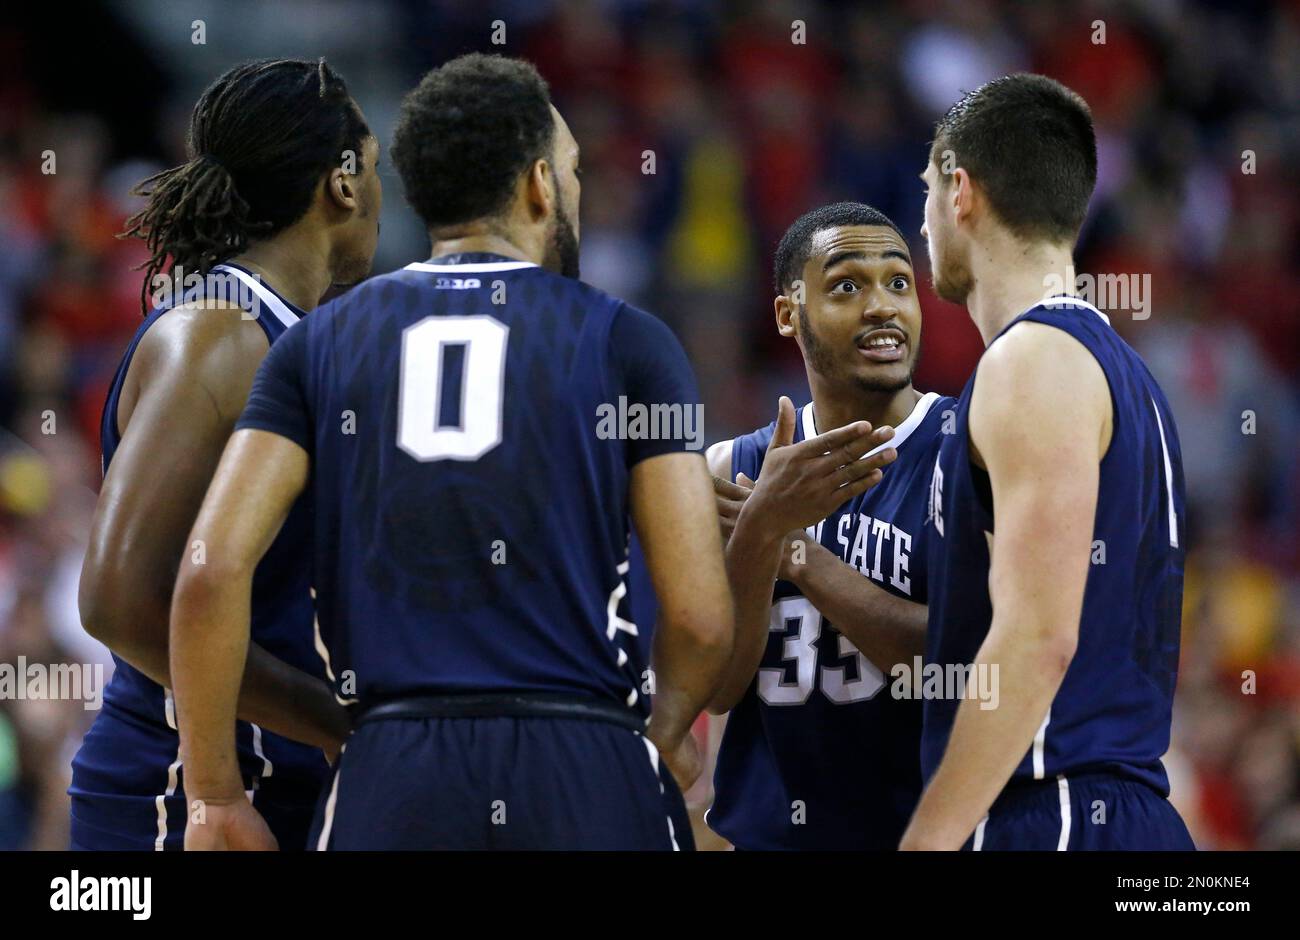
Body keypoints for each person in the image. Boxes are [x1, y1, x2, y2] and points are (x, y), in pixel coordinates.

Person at [171, 54, 755, 850]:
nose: (577, 192)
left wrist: (213, 794)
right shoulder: (630, 342)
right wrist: (652, 734)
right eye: (575, 171)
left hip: (392, 768)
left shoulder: (316, 347)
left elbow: (208, 570)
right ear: (540, 186)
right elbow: (696, 618)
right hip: (585, 762)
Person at [70, 58, 381, 851]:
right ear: (342, 185)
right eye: (377, 169)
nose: (385, 195)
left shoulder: (298, 339)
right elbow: (119, 600)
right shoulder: (219, 334)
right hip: (179, 799)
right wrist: (333, 722)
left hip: (279, 788)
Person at [903, 74, 1193, 850]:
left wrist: (928, 839)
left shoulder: (1031, 362)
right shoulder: (1122, 372)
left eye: (928, 189)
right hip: (1125, 818)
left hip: (1055, 815)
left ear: (960, 191)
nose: (923, 220)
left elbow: (1038, 639)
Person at [703, 202, 950, 849]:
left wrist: (794, 553)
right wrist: (757, 540)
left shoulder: (968, 449)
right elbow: (718, 686)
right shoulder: (730, 467)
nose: (882, 307)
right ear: (788, 313)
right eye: (847, 286)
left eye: (899, 283)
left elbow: (954, 663)